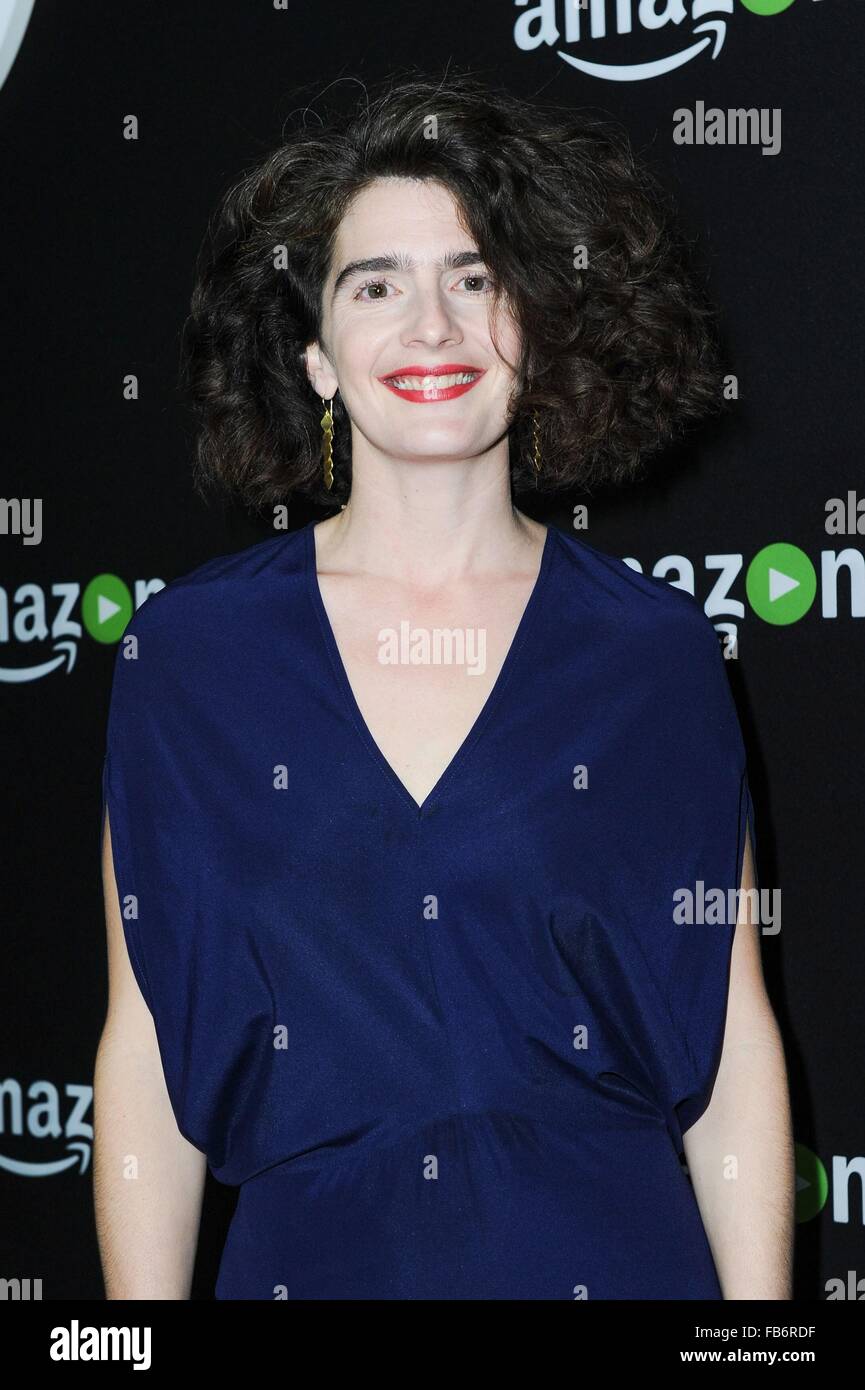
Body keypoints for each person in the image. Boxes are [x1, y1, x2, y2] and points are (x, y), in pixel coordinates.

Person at [94, 72, 794, 1300]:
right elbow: (148, 1050)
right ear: (315, 353)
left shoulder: (654, 656)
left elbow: (729, 1045)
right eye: (377, 286)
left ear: (533, 320)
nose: (431, 327)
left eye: (474, 279)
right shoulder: (188, 662)